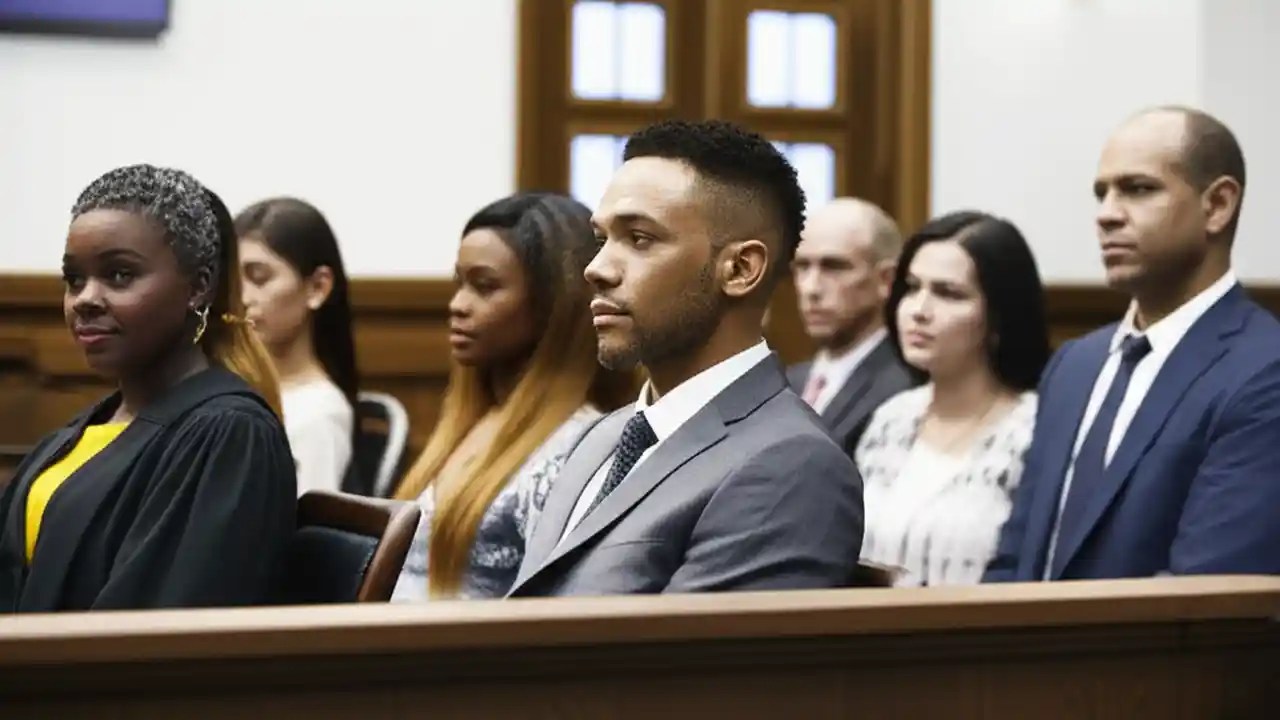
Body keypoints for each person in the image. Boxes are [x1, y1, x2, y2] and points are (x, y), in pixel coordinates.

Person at [509, 120, 864, 597]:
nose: (596, 270)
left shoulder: (792, 466)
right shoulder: (605, 435)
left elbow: (689, 672)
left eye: (639, 239)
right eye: (602, 239)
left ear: (739, 269)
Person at [986, 107, 1280, 582]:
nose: (1106, 215)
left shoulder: (1265, 371)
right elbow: (1017, 559)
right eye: (1101, 194)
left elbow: (1208, 592)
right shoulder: (1074, 365)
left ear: (1218, 205)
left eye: (1138, 189)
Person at [0, 164, 296, 612]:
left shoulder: (229, 435)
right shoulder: (90, 427)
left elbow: (151, 642)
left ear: (198, 287)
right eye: (74, 279)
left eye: (119, 275)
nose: (85, 299)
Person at [390, 193, 634, 601]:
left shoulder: (576, 447)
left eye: (484, 287)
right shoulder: (475, 420)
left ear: (553, 305)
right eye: (459, 283)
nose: (458, 306)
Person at [855, 212, 1048, 586]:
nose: (919, 311)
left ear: (998, 316)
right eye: (911, 287)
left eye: (948, 293)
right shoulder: (890, 419)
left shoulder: (1032, 432)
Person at [236, 198, 359, 496]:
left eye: (259, 278)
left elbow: (306, 535)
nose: (241, 298)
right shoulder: (229, 389)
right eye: (231, 282)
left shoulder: (318, 414)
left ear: (317, 288)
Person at [788, 197, 914, 453]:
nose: (811, 288)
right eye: (802, 267)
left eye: (834, 267)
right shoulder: (784, 381)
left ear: (885, 280)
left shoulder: (906, 387)